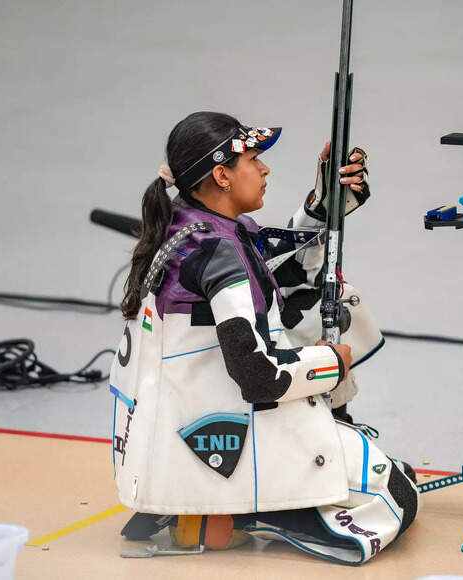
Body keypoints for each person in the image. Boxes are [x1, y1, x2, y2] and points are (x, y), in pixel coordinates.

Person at [109, 112, 418, 564]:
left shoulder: (188, 225)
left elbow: (276, 270)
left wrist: (325, 204)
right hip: (216, 435)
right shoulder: (221, 255)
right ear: (222, 175)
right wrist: (331, 364)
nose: (265, 168)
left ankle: (311, 454)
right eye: (254, 158)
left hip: (172, 432)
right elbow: (259, 378)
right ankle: (260, 511)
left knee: (335, 301)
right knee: (400, 492)